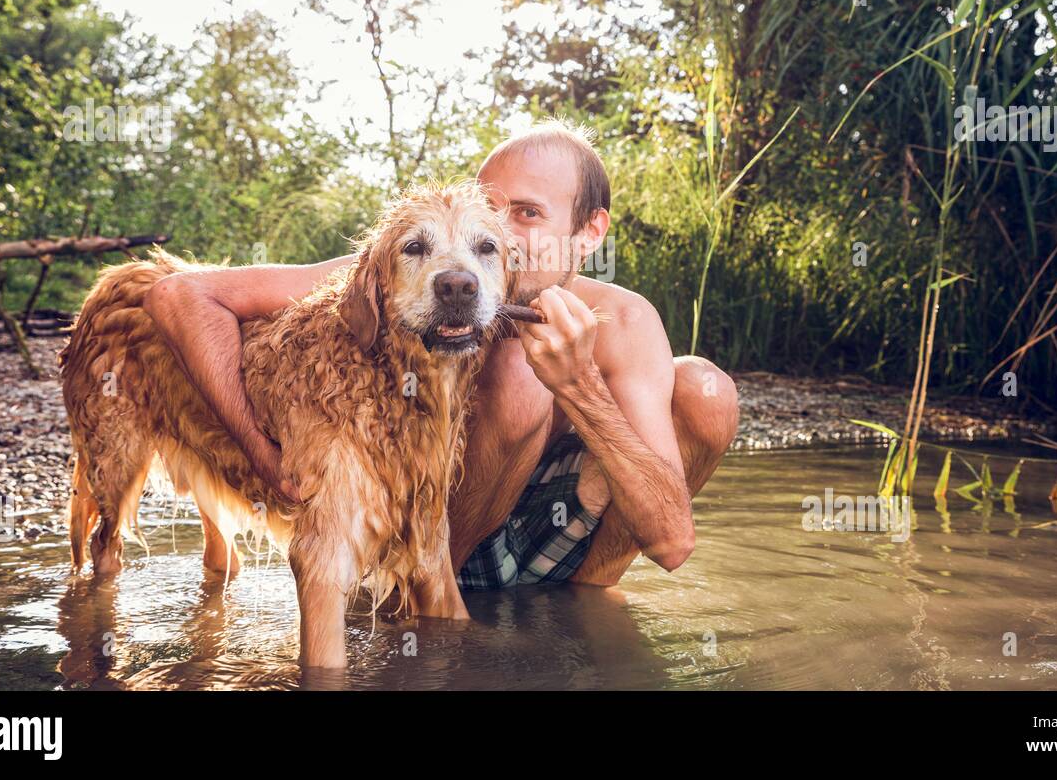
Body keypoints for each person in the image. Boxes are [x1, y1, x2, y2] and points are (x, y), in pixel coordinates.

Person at [144, 119, 738, 590]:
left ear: (589, 232)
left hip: (554, 539)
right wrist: (259, 449)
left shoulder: (627, 321)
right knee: (518, 374)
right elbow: (180, 297)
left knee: (704, 392)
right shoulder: (411, 275)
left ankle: (586, 603)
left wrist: (580, 386)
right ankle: (424, 600)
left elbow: (672, 544)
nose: (500, 237)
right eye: (489, 210)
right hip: (437, 543)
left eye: (527, 214)